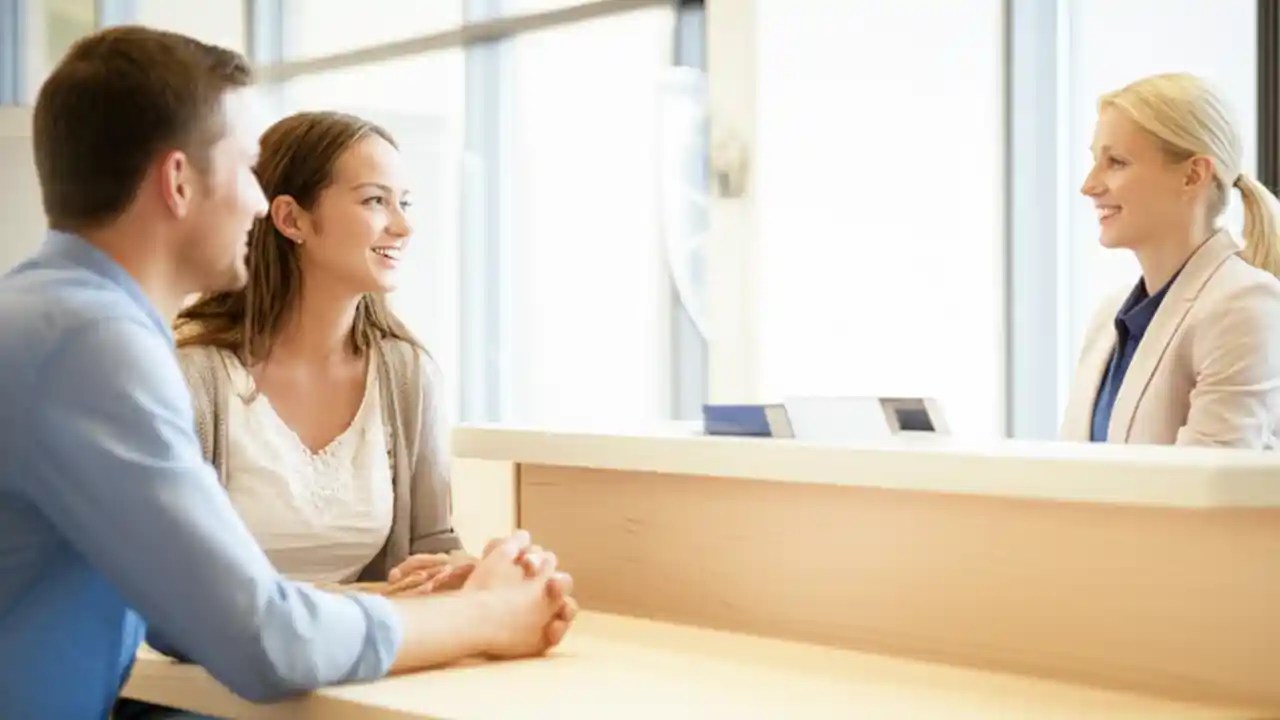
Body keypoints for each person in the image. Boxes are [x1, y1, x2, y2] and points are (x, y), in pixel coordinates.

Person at [0, 26, 575, 719]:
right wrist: (486, 616)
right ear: (178, 182)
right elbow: (262, 641)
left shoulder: (50, 320)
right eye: (247, 168)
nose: (256, 202)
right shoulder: (91, 348)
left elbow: (188, 613)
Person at [172, 111, 473, 596]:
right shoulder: (192, 376)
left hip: (365, 640)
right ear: (291, 219)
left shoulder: (408, 375)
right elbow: (170, 577)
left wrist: (482, 573)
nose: (403, 226)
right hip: (223, 643)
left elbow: (432, 544)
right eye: (375, 200)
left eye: (404, 203)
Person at [1061, 72, 1280, 447]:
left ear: (1193, 175)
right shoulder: (1109, 317)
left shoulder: (1243, 305)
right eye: (1096, 160)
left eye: (1116, 162)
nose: (1089, 185)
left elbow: (1209, 481)